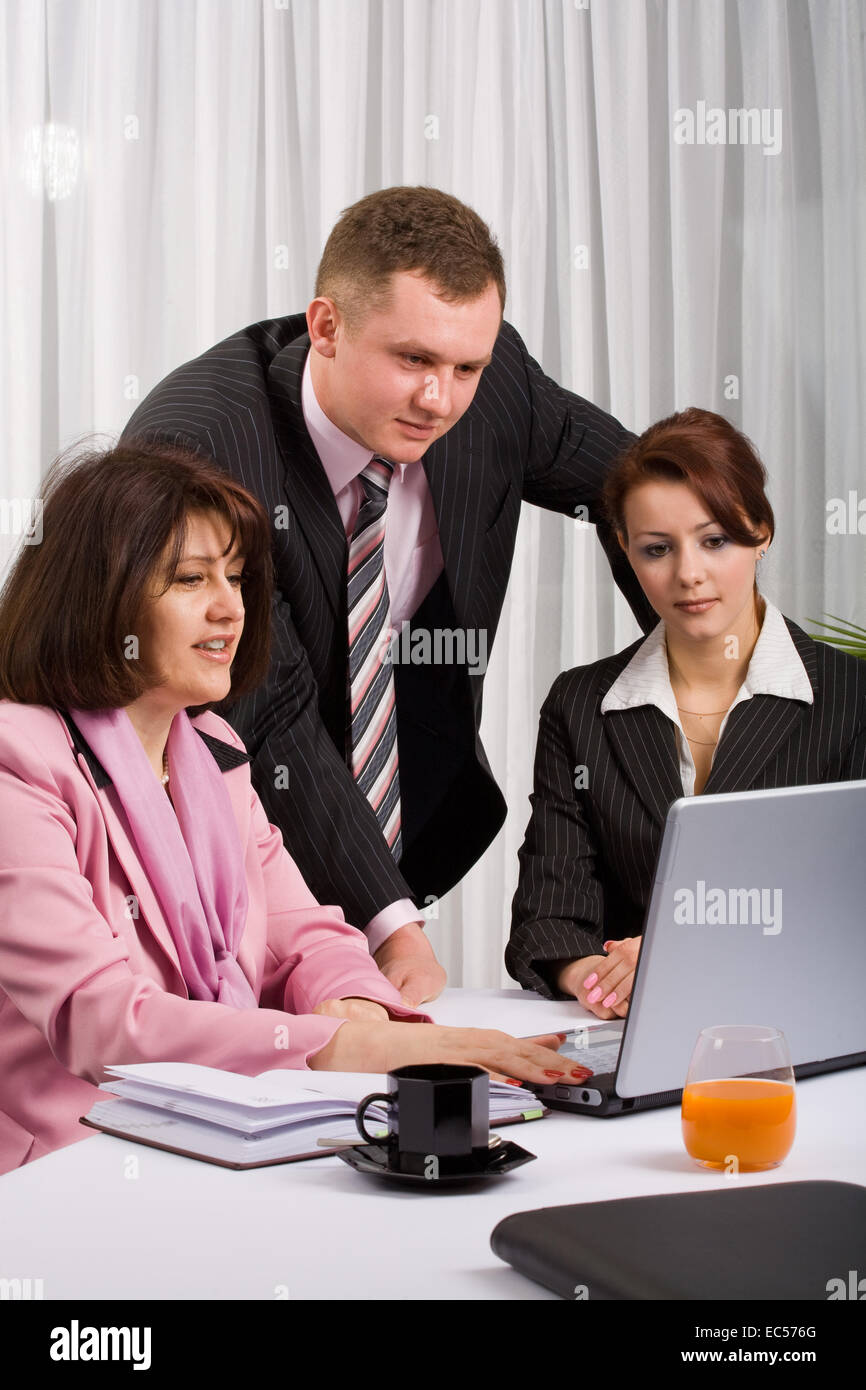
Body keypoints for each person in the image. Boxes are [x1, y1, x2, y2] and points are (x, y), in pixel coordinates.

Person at [120, 185, 658, 1009]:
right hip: (231, 843)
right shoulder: (205, 445)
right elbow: (274, 706)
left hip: (414, 808)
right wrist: (394, 928)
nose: (440, 400)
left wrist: (699, 678)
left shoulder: (493, 385)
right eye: (412, 360)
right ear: (326, 327)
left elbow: (643, 492)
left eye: (465, 368)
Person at [0, 443, 588, 1174]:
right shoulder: (18, 761)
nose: (230, 608)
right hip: (70, 1162)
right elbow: (100, 1021)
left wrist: (354, 1006)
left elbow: (303, 934)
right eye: (191, 579)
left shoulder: (211, 750)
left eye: (236, 577)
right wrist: (340, 1046)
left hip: (219, 1131)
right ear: (99, 596)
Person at [507, 407, 866, 1014]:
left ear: (761, 532)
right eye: (657, 549)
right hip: (630, 1025)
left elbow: (847, 913)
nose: (688, 575)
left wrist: (681, 957)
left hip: (801, 1025)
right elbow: (549, 919)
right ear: (626, 551)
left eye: (714, 541)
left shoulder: (851, 698)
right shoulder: (581, 704)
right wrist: (600, 977)